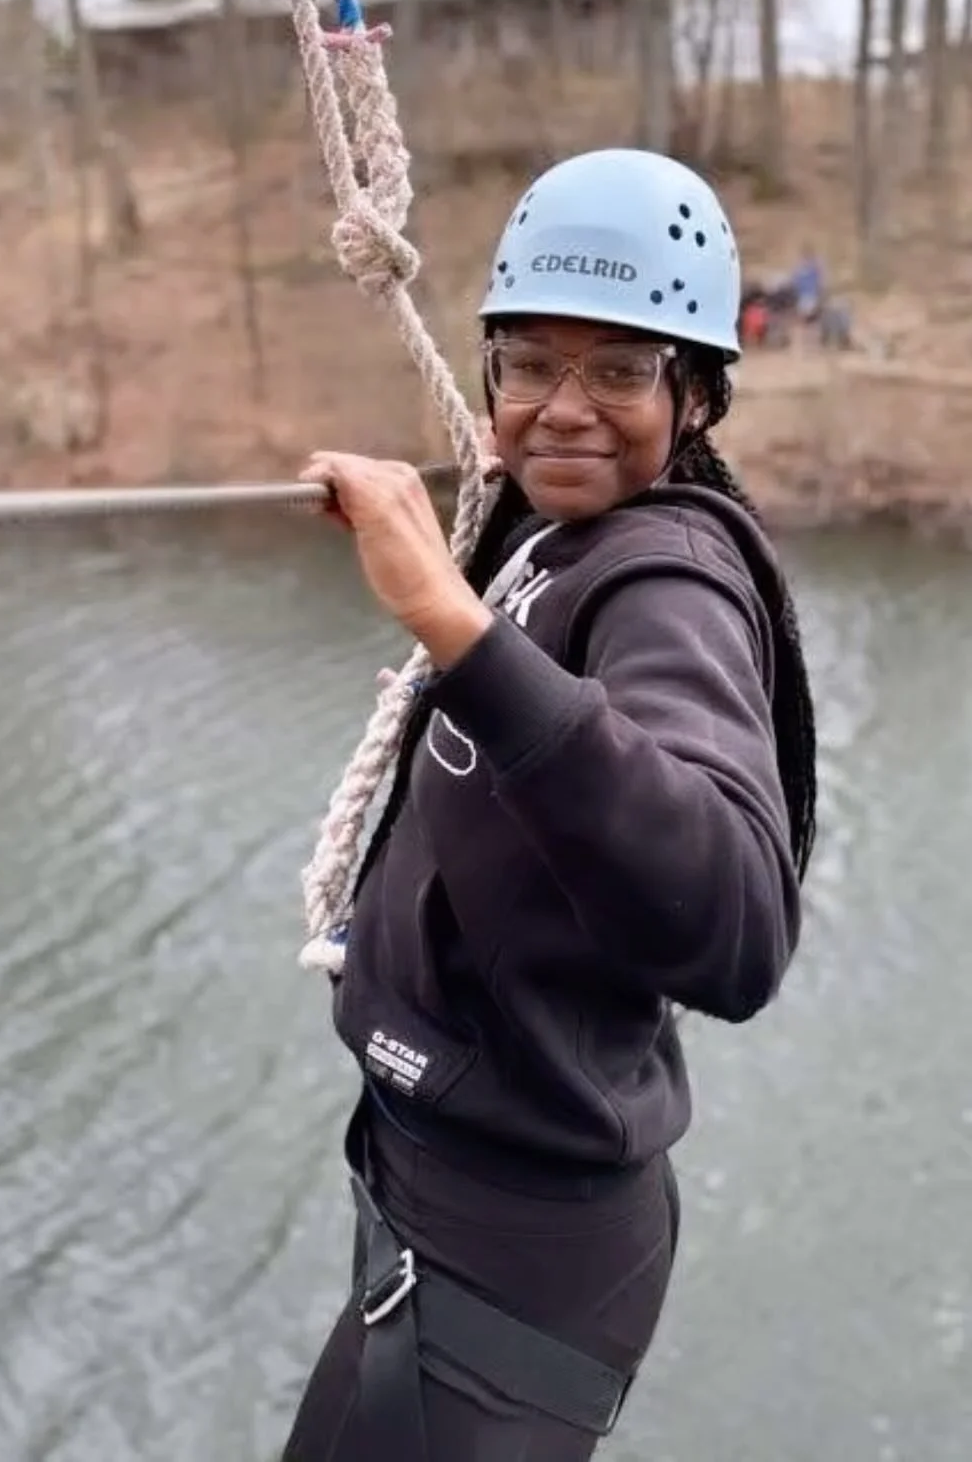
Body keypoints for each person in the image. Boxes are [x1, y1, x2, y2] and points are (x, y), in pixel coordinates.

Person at [283, 148, 818, 1462]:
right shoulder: (552, 534)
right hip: (430, 1180)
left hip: (519, 1259)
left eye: (620, 371)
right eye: (529, 365)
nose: (564, 409)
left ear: (695, 397)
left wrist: (454, 629)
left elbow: (737, 925)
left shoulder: (669, 585)